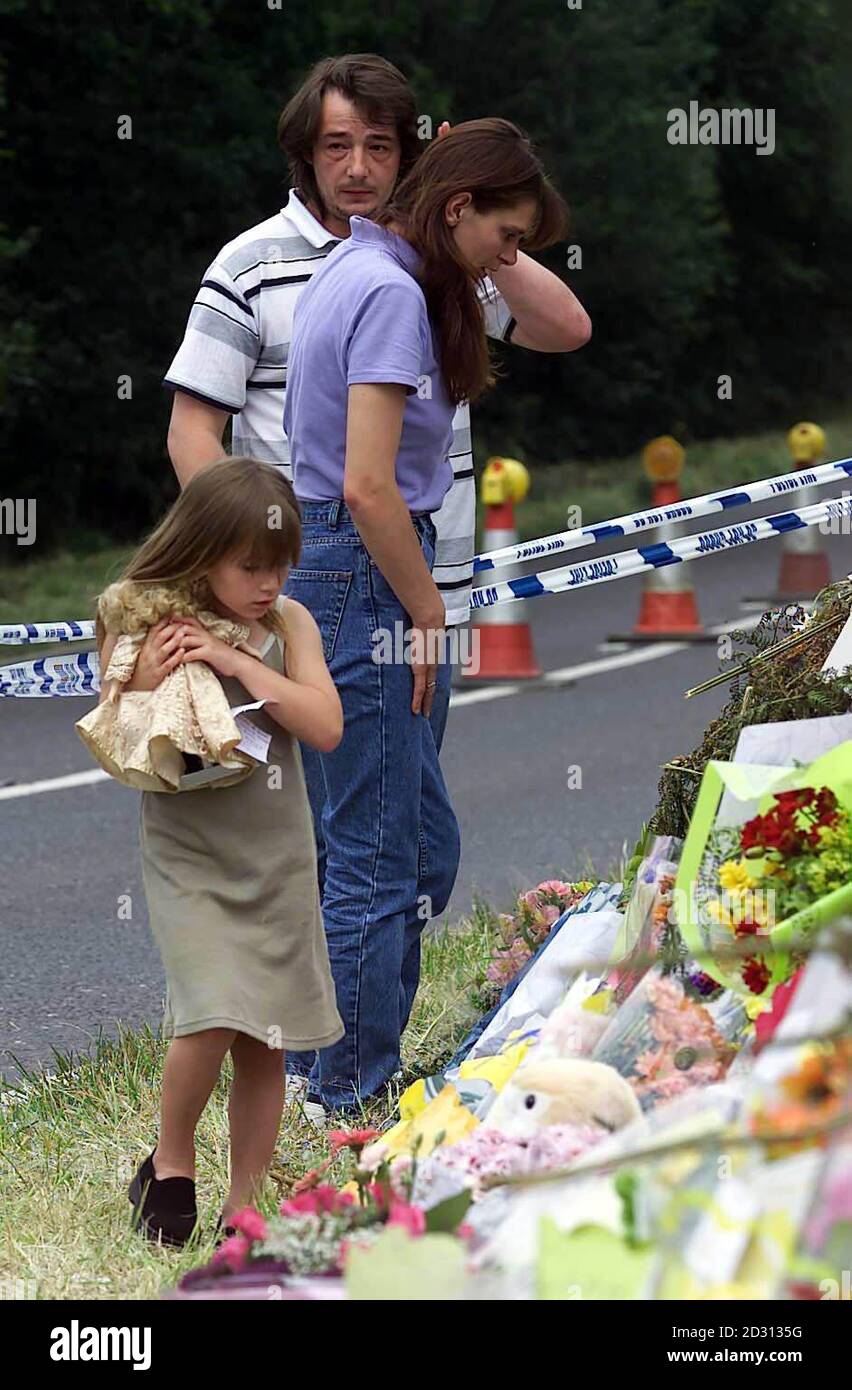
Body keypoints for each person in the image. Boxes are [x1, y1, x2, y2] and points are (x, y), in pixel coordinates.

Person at [281, 117, 570, 1114]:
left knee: (410, 845)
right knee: (377, 852)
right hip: (368, 565)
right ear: (457, 209)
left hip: (338, 563)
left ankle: (321, 1061)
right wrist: (426, 609)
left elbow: (563, 324)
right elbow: (367, 485)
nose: (507, 260)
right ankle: (349, 1089)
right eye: (504, 239)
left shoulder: (355, 266)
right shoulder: (394, 294)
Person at [95, 457, 344, 1247]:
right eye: (250, 567)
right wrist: (144, 678)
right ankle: (171, 1167)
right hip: (189, 853)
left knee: (266, 1033)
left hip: (275, 851)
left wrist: (236, 661)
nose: (269, 583)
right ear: (201, 551)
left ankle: (245, 1207)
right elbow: (115, 724)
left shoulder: (290, 626)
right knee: (209, 1014)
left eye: (280, 566)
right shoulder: (142, 614)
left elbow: (325, 725)